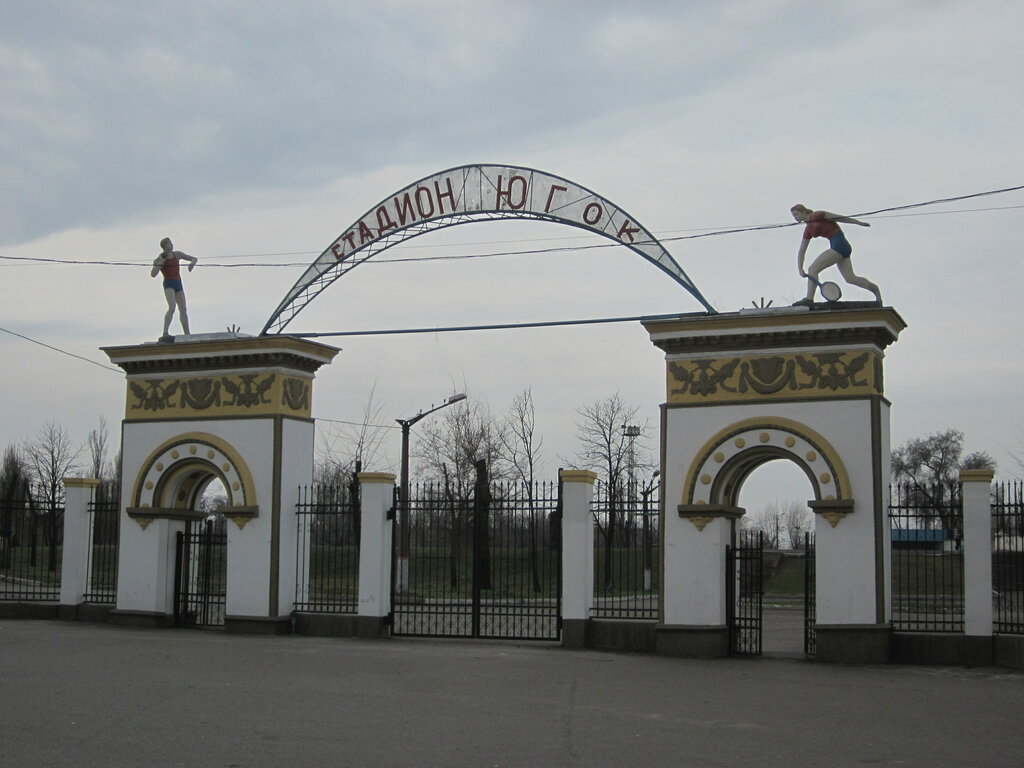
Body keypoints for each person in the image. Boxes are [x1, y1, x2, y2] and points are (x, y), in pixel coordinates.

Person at [790, 204, 881, 305]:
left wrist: (858, 222)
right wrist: (800, 268)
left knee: (812, 269)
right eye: (794, 216)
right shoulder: (808, 230)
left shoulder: (817, 215)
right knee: (850, 278)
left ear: (803, 212)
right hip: (842, 247)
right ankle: (875, 290)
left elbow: (839, 218)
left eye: (797, 214)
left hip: (839, 245)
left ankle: (809, 298)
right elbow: (802, 250)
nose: (795, 218)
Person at [151, 237, 198, 337]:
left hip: (178, 283)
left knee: (183, 309)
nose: (172, 245)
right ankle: (165, 332)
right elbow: (153, 273)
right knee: (172, 307)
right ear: (165, 246)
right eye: (170, 243)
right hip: (169, 284)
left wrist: (192, 264)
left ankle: (187, 333)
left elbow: (194, 258)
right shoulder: (160, 258)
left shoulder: (176, 254)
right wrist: (161, 262)